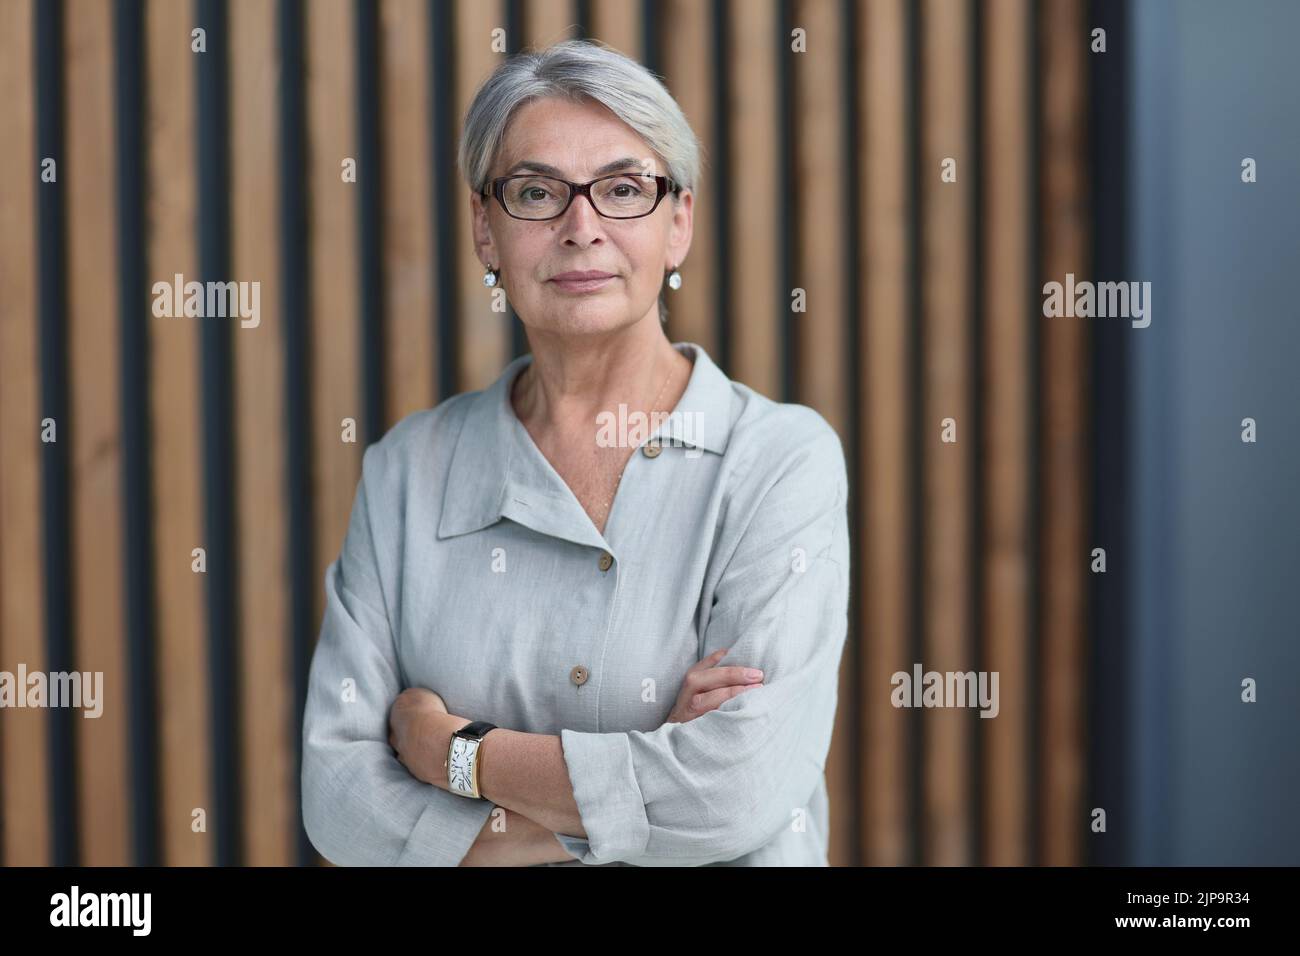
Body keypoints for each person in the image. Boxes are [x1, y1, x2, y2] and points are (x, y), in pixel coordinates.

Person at [301, 38, 849, 867]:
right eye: (536, 193)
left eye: (624, 189)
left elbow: (737, 793)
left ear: (679, 224)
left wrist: (452, 752)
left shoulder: (778, 461)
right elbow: (338, 801)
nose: (581, 227)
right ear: (486, 232)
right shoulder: (405, 472)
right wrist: (642, 770)